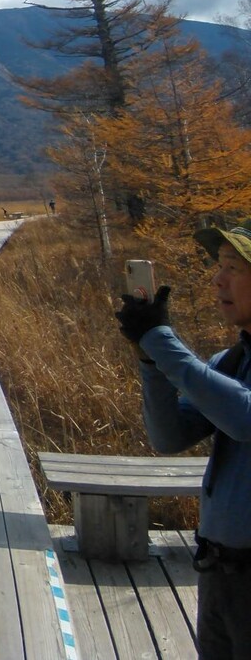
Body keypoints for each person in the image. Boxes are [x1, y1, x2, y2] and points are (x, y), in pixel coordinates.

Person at [116, 219, 251, 659]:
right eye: (219, 265)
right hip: (221, 571)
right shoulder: (232, 362)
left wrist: (161, 340)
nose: (218, 279)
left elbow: (244, 418)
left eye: (234, 266)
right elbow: (169, 436)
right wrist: (150, 359)